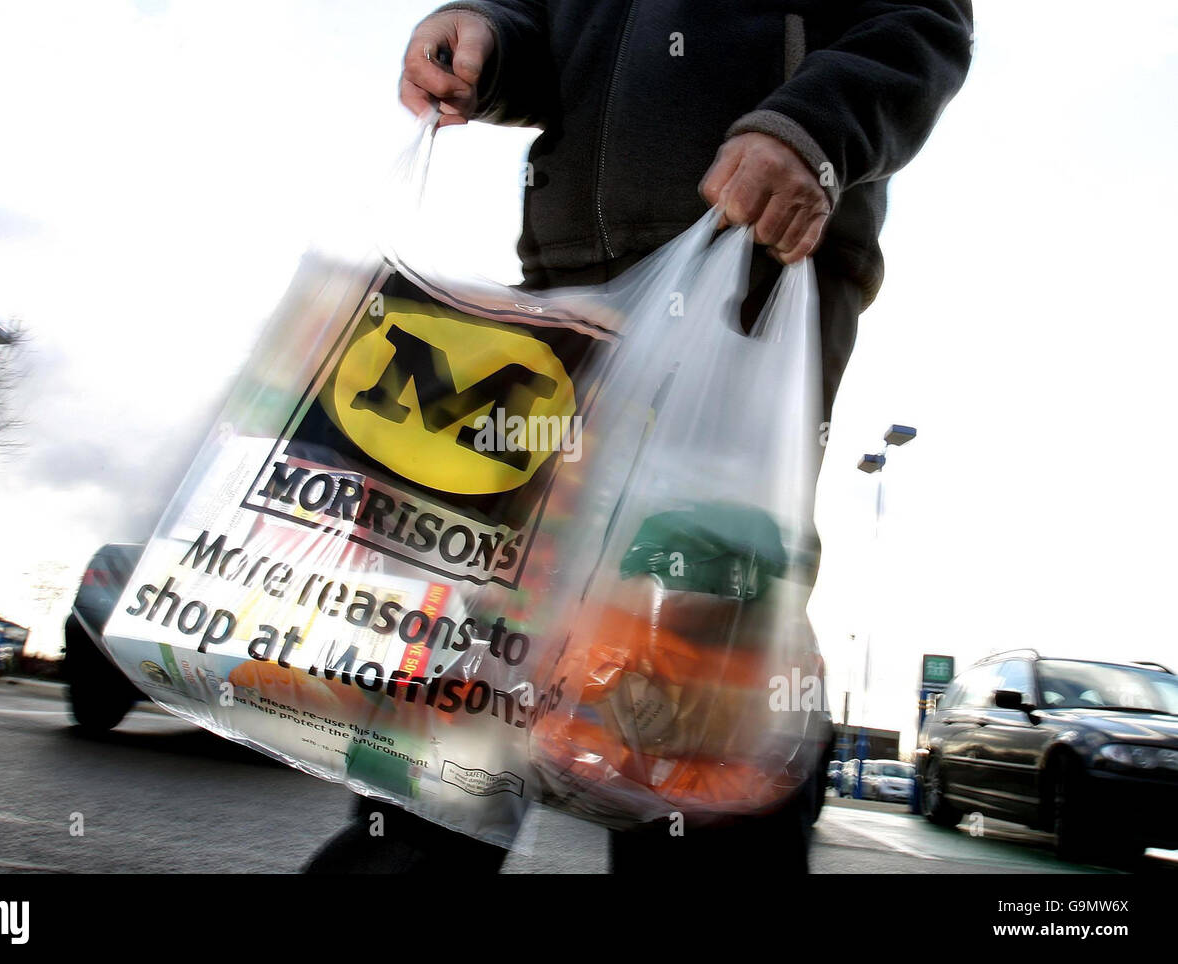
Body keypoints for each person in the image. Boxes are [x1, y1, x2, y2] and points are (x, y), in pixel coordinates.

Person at [306, 0, 972, 874]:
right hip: (566, 296)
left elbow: (920, 23)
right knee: (501, 617)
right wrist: (489, 43)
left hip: (751, 275)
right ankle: (405, 848)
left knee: (696, 633)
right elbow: (554, 32)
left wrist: (809, 130)